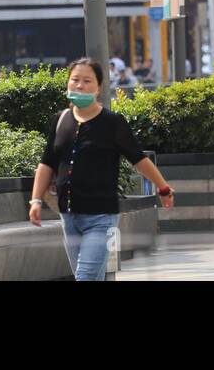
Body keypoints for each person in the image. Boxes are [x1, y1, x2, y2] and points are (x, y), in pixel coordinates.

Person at [29, 57, 175, 281]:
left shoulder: (112, 122)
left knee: (85, 277)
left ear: (98, 88)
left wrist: (163, 188)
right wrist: (36, 200)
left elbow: (138, 159)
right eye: (75, 80)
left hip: (101, 217)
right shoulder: (60, 120)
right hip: (69, 216)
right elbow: (47, 162)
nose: (79, 85)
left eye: (87, 81)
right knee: (89, 277)